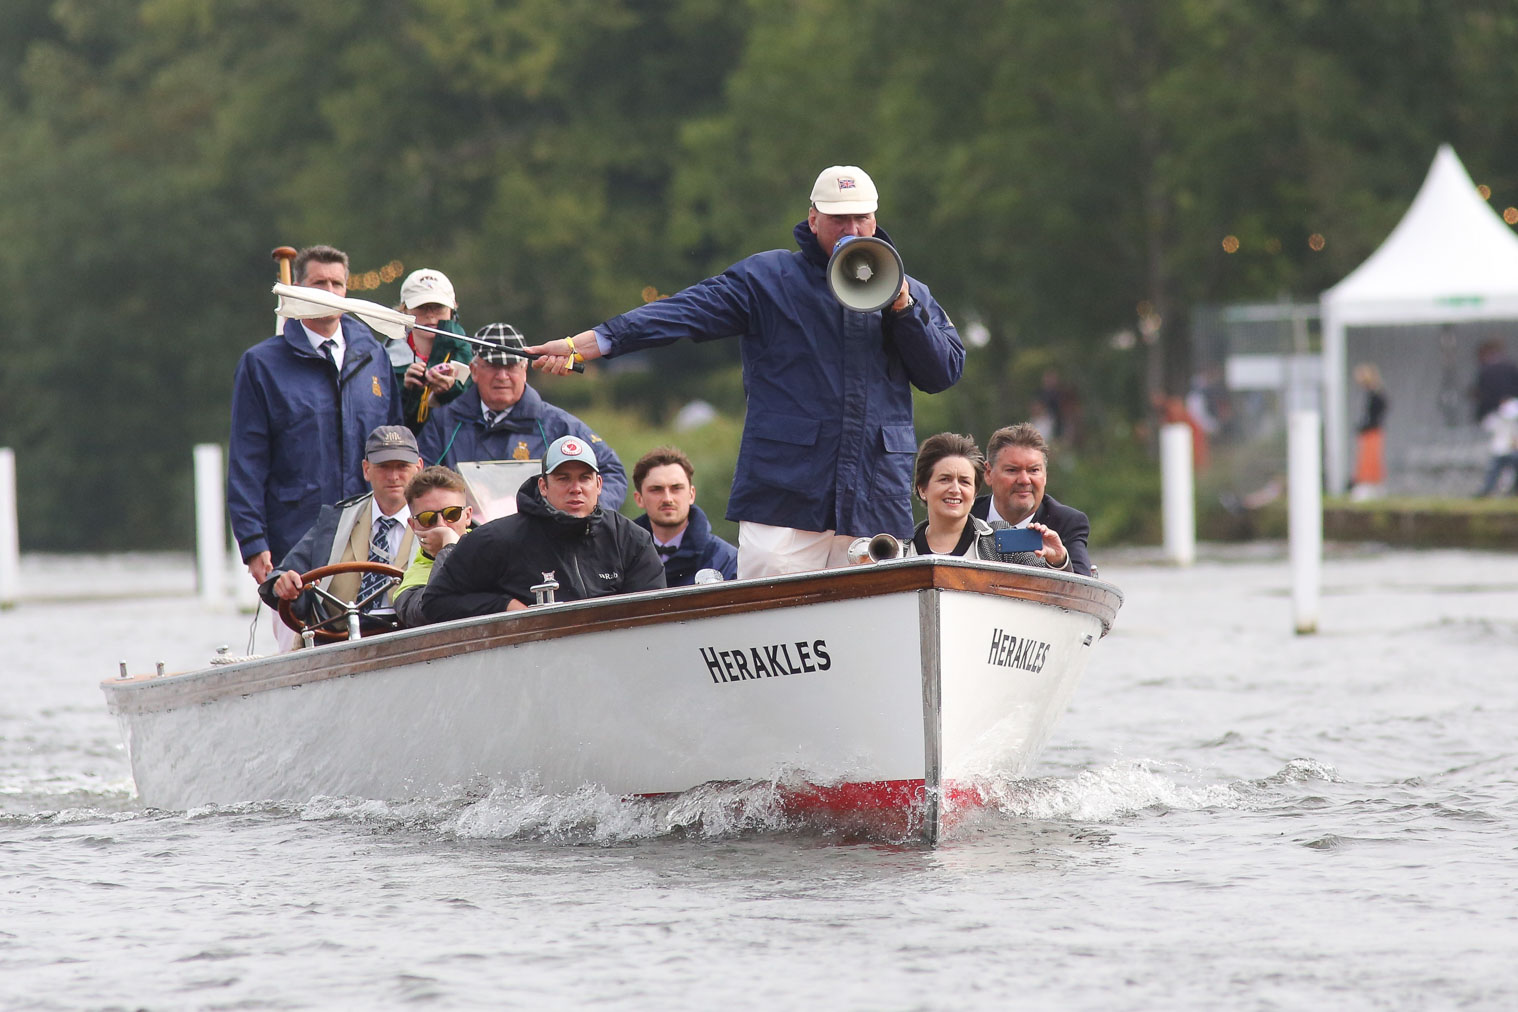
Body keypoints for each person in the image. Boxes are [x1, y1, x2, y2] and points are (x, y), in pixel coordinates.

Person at [522, 165, 963, 578]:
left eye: (860, 219)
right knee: (774, 612)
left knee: (872, 623)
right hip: (784, 493)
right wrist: (587, 345)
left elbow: (943, 372)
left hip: (874, 494)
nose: (850, 230)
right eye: (837, 220)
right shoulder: (768, 279)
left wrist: (903, 309)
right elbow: (681, 312)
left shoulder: (908, 290)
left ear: (874, 220)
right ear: (813, 221)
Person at [229, 244, 403, 585]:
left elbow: (395, 445)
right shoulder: (262, 365)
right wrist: (252, 542)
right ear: (297, 289)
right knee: (302, 638)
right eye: (319, 284)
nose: (330, 293)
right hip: (294, 540)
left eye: (337, 284)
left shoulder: (375, 357)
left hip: (371, 536)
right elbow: (247, 460)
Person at [421, 435, 665, 622]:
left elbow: (655, 616)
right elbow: (435, 603)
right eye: (563, 478)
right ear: (543, 486)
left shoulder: (631, 540)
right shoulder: (496, 540)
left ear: (599, 484)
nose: (576, 488)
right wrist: (504, 606)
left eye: (585, 478)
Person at [417, 323, 628, 508]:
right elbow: (420, 481)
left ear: (524, 369)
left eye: (510, 367)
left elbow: (612, 472)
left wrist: (582, 516)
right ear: (474, 370)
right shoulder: (444, 422)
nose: (502, 376)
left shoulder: (558, 426)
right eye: (492, 366)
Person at [258, 425, 422, 638]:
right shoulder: (335, 520)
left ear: (418, 467)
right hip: (335, 644)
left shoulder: (441, 520)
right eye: (383, 466)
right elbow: (283, 576)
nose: (393, 476)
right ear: (366, 469)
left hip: (413, 641)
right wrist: (285, 585)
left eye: (402, 466)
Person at [901, 433, 1055, 567]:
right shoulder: (900, 550)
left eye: (964, 482)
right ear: (922, 489)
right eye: (945, 479)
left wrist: (1058, 561)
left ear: (974, 493)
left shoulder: (1003, 538)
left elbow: (1047, 587)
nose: (955, 490)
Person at [970, 423, 1089, 575]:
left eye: (1034, 470)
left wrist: (1059, 562)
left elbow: (1083, 589)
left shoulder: (1067, 522)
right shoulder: (966, 518)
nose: (1024, 480)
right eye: (1012, 470)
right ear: (988, 473)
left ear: (1045, 476)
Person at [630, 446, 737, 585]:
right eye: (656, 489)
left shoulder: (726, 559)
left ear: (692, 494)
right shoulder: (620, 558)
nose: (668, 498)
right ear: (639, 499)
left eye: (676, 488)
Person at [388, 268, 474, 434]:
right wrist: (408, 392)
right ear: (404, 311)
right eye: (422, 307)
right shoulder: (383, 358)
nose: (431, 315)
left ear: (453, 310)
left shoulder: (470, 357)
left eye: (438, 307)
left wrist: (450, 393)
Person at [393, 465, 475, 628]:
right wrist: (449, 545)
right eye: (427, 518)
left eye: (452, 514)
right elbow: (433, 612)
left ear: (467, 516)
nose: (441, 526)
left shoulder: (494, 548)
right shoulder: (409, 588)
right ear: (413, 524)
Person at [1474, 340, 1518, 496]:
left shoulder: (1486, 371)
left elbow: (1482, 395)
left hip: (1497, 416)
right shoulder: (1511, 367)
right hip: (1512, 413)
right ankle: (1502, 486)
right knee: (1508, 448)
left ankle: (1490, 487)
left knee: (1501, 450)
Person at [1350, 362, 1388, 498]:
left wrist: (1368, 425)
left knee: (1371, 460)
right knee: (1365, 459)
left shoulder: (1377, 395)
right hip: (1369, 431)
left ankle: (1372, 485)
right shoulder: (1371, 394)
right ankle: (1367, 483)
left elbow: (1378, 412)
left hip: (1373, 431)